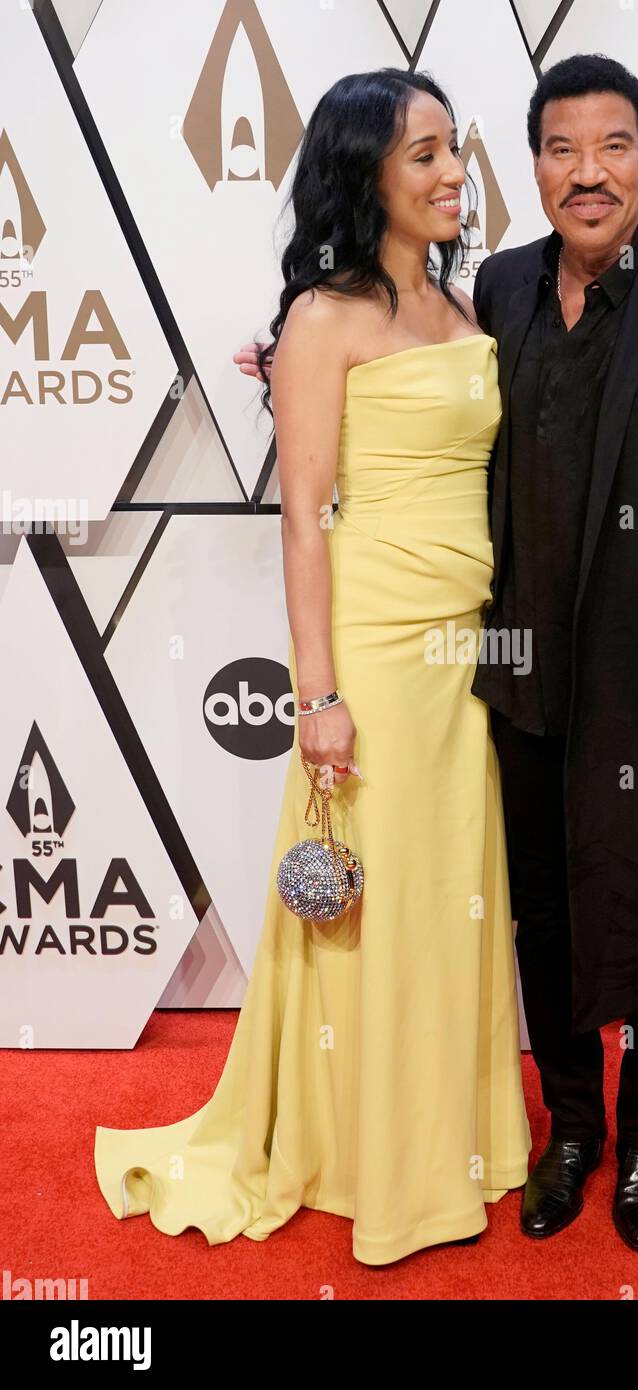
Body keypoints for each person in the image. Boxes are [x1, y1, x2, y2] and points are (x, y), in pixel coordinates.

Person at [235, 54, 638, 1256]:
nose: (586, 172)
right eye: (560, 149)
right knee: (544, 922)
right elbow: (386, 393)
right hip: (515, 676)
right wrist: (286, 370)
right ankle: (568, 1133)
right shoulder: (494, 292)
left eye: (611, 145)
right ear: (535, 164)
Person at [94, 68, 530, 1267]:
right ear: (366, 176)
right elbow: (301, 521)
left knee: (449, 900)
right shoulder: (322, 318)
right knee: (375, 908)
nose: (452, 175)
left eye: (454, 150)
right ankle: (365, 1157)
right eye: (424, 156)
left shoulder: (467, 306)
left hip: (466, 651)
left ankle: (455, 1139)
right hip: (379, 655)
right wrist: (319, 697)